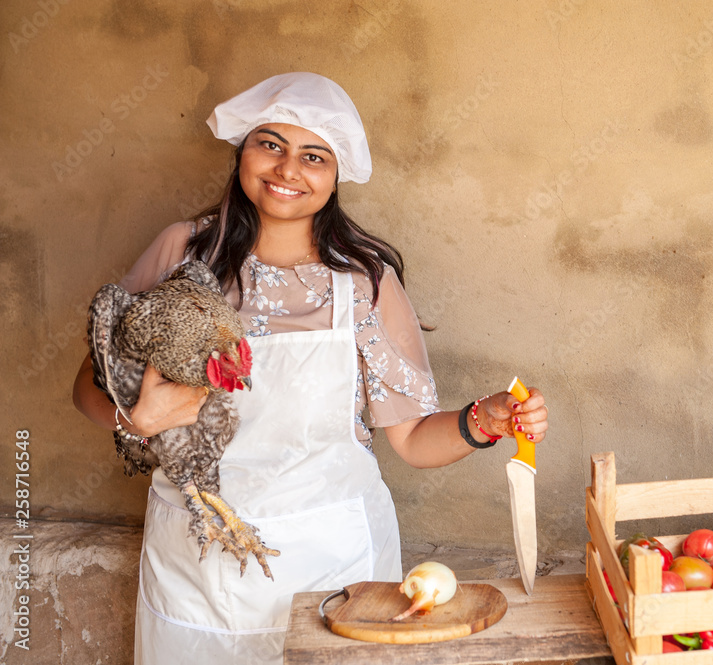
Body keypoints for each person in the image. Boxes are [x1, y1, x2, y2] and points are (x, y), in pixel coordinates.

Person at [72, 72, 548, 664]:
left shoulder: (364, 282)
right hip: (195, 565)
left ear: (335, 174)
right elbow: (88, 386)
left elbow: (412, 439)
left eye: (313, 156)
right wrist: (135, 419)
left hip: (334, 563)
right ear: (242, 151)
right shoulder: (183, 252)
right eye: (269, 144)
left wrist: (487, 420)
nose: (287, 170)